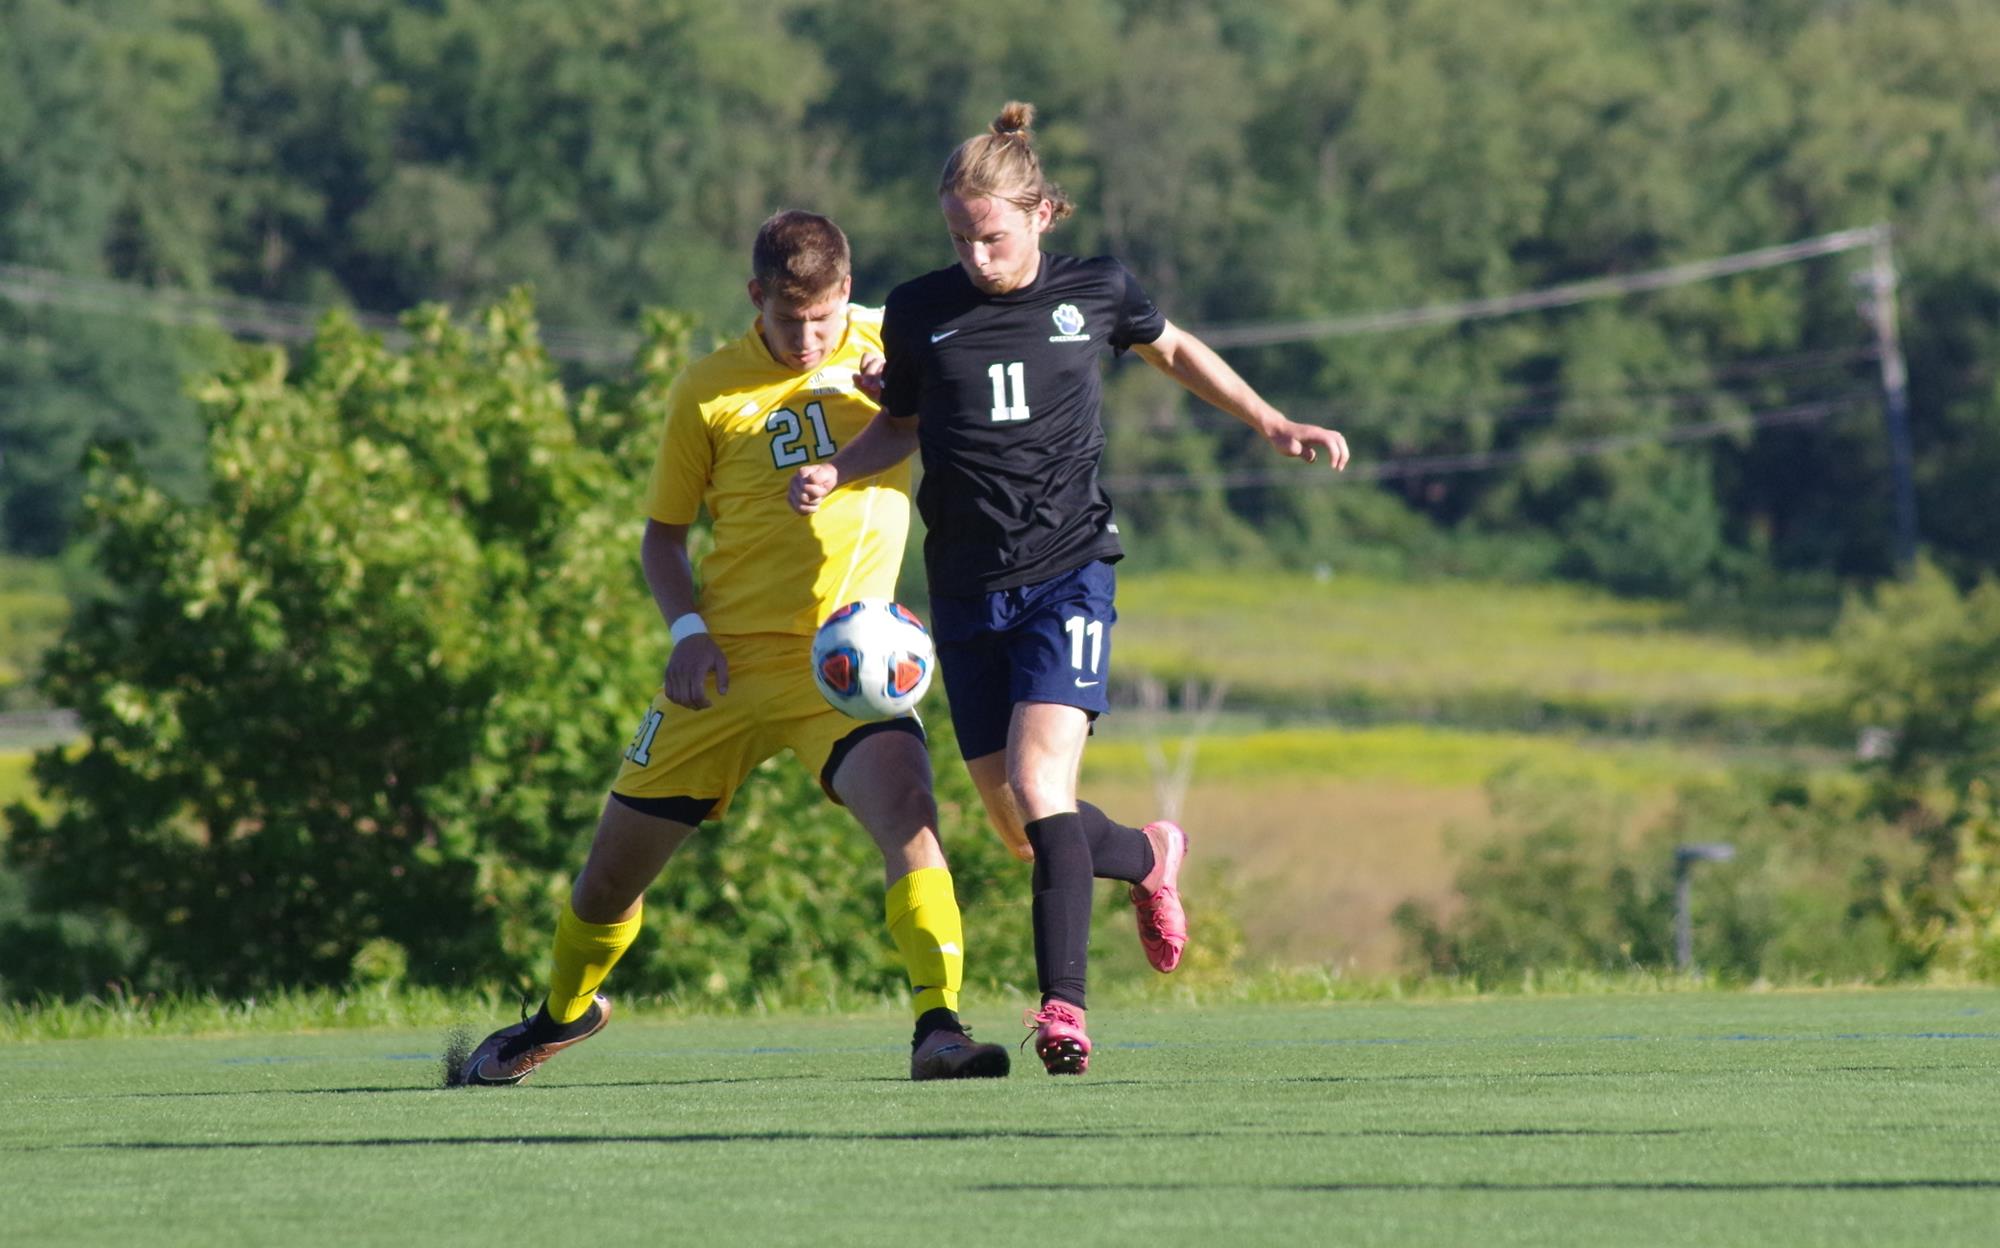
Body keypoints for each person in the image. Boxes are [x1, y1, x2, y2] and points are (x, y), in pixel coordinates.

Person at [792, 103, 1348, 1076]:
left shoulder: (1096, 290)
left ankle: (1063, 1011)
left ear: (1043, 214)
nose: (976, 256)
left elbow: (1171, 348)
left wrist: (1267, 420)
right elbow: (905, 422)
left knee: (1047, 789)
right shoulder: (923, 308)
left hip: (1067, 575)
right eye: (959, 238)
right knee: (1019, 827)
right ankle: (1144, 855)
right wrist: (837, 468)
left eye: (993, 237)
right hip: (964, 592)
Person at [456, 210, 1011, 1086]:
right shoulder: (707, 390)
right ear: (756, 295)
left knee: (911, 817)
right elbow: (661, 540)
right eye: (790, 320)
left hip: (845, 664)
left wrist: (909, 394)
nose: (808, 337)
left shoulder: (889, 346)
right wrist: (687, 632)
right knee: (607, 883)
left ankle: (939, 1026)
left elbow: (985, 405)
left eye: (823, 319)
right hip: (721, 668)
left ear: (847, 294)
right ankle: (562, 1014)